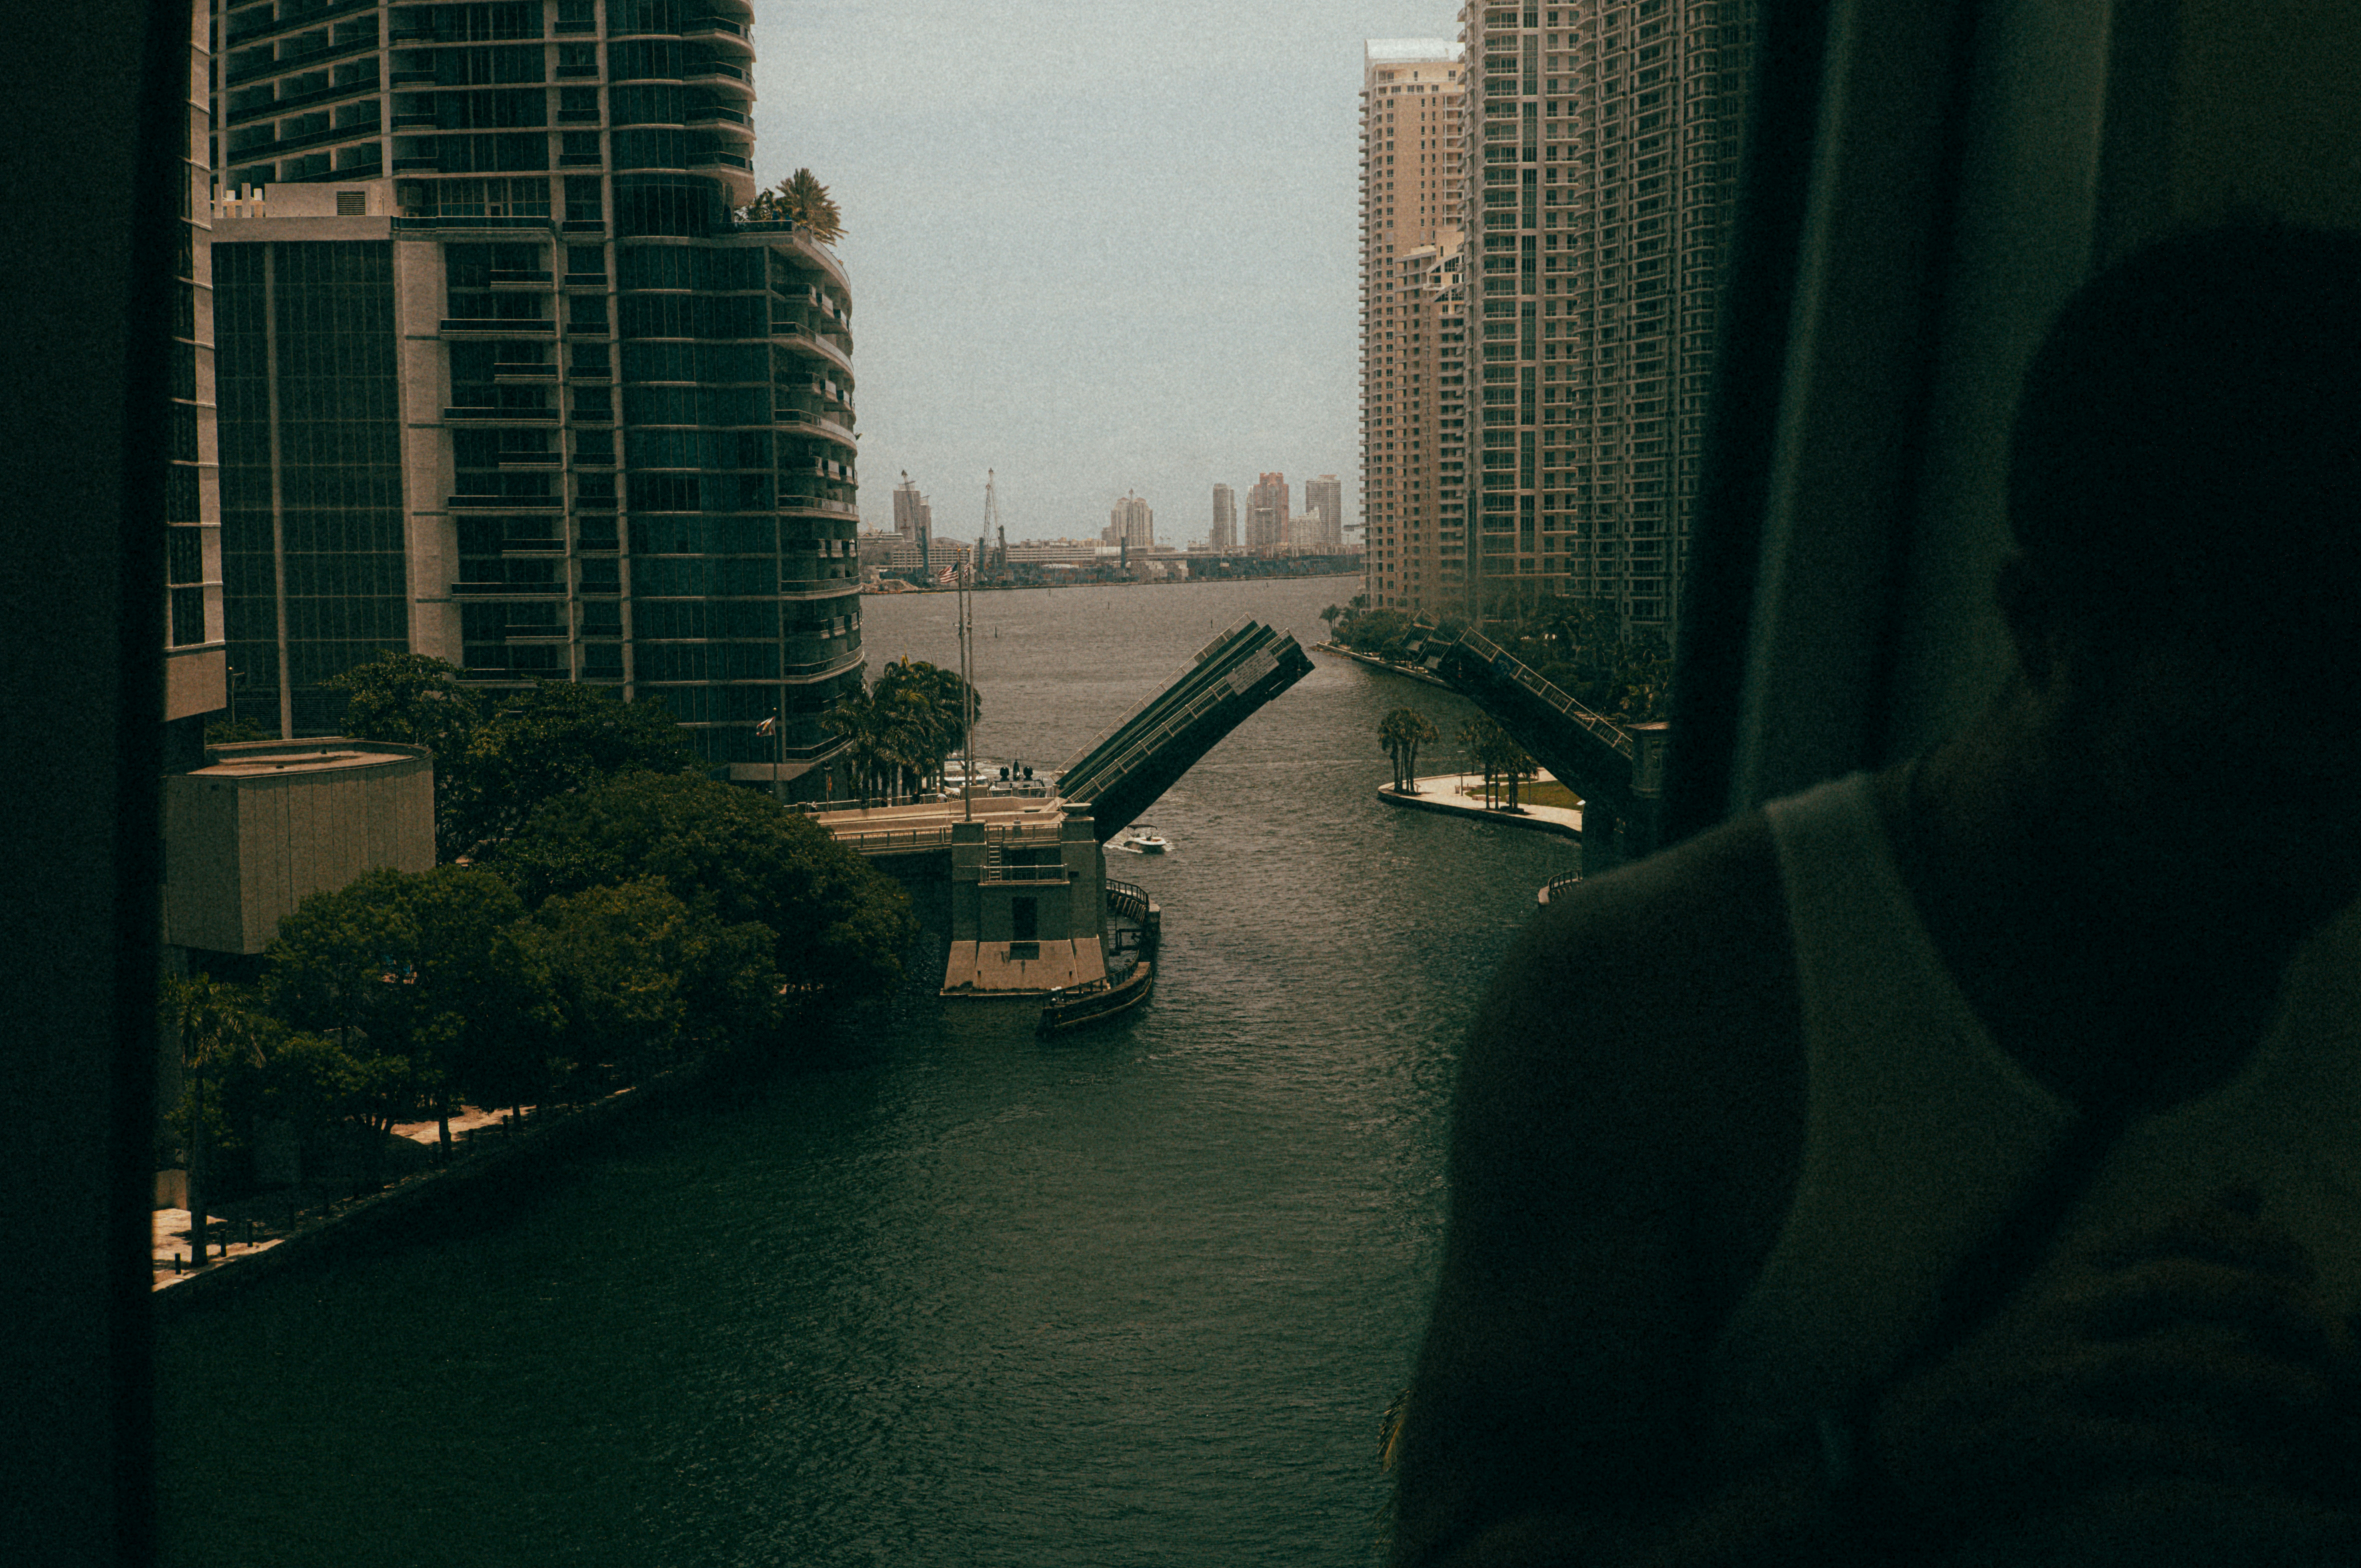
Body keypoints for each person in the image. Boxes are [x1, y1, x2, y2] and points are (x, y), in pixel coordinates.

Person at [1388, 220, 2361, 1567]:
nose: (2317, 868)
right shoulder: (1652, 1004)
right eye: (2239, 784)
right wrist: (1891, 1464)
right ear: (2042, 628)